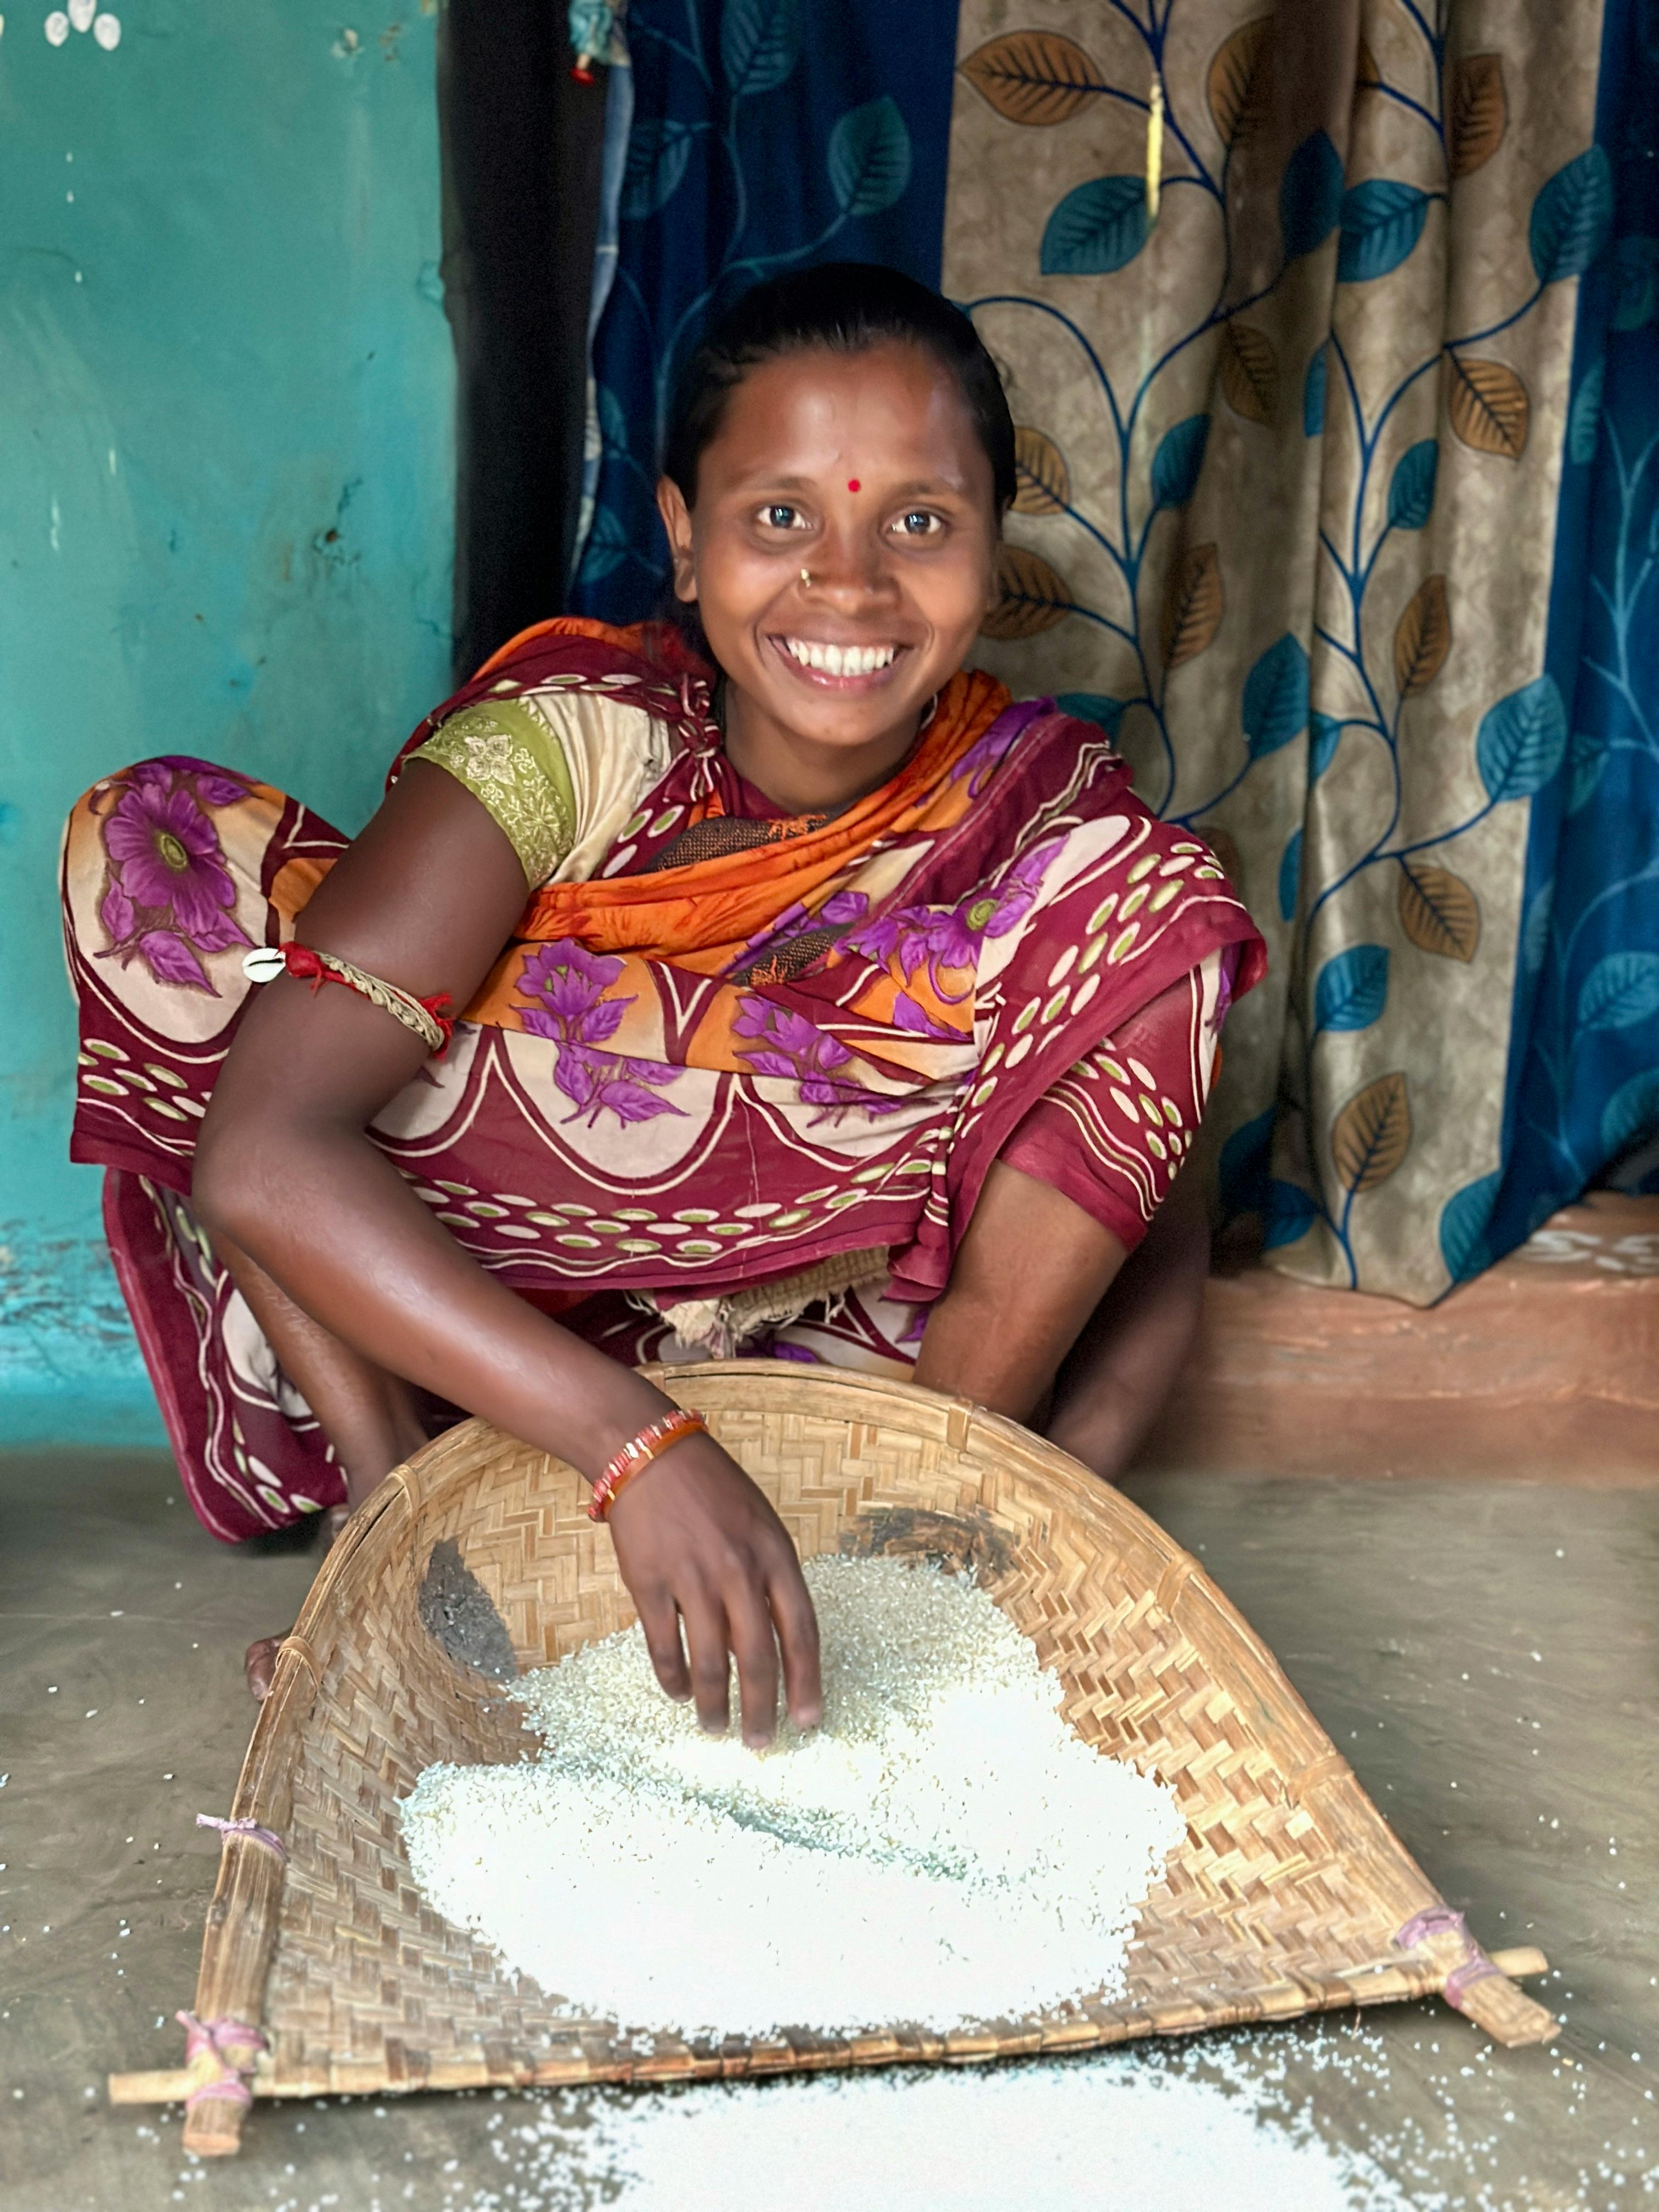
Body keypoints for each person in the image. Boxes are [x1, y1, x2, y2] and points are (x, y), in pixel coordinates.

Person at [62, 264, 1263, 1736]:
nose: (851, 581)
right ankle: (402, 1521)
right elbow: (262, 1150)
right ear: (684, 538)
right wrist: (632, 1446)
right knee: (158, 844)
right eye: (780, 518)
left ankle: (904, 1547)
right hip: (477, 1319)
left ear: (992, 550)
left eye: (920, 523)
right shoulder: (569, 751)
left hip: (837, 1357)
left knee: (1166, 913)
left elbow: (1163, 1200)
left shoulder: (1048, 831)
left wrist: (1030, 1509)